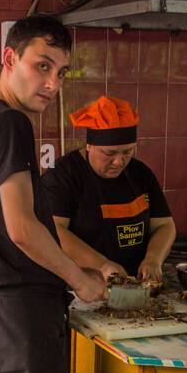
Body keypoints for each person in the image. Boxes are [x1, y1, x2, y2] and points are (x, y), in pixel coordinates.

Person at [0, 15, 107, 373]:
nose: (53, 84)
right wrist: (80, 280)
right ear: (9, 59)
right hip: (21, 309)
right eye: (42, 66)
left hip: (11, 307)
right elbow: (22, 229)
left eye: (61, 72)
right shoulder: (10, 124)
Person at [42, 95, 176, 282]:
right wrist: (101, 265)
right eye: (110, 153)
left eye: (128, 151)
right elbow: (52, 231)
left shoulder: (141, 173)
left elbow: (164, 225)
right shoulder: (63, 176)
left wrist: (153, 259)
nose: (119, 161)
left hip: (134, 284)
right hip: (78, 286)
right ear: (89, 146)